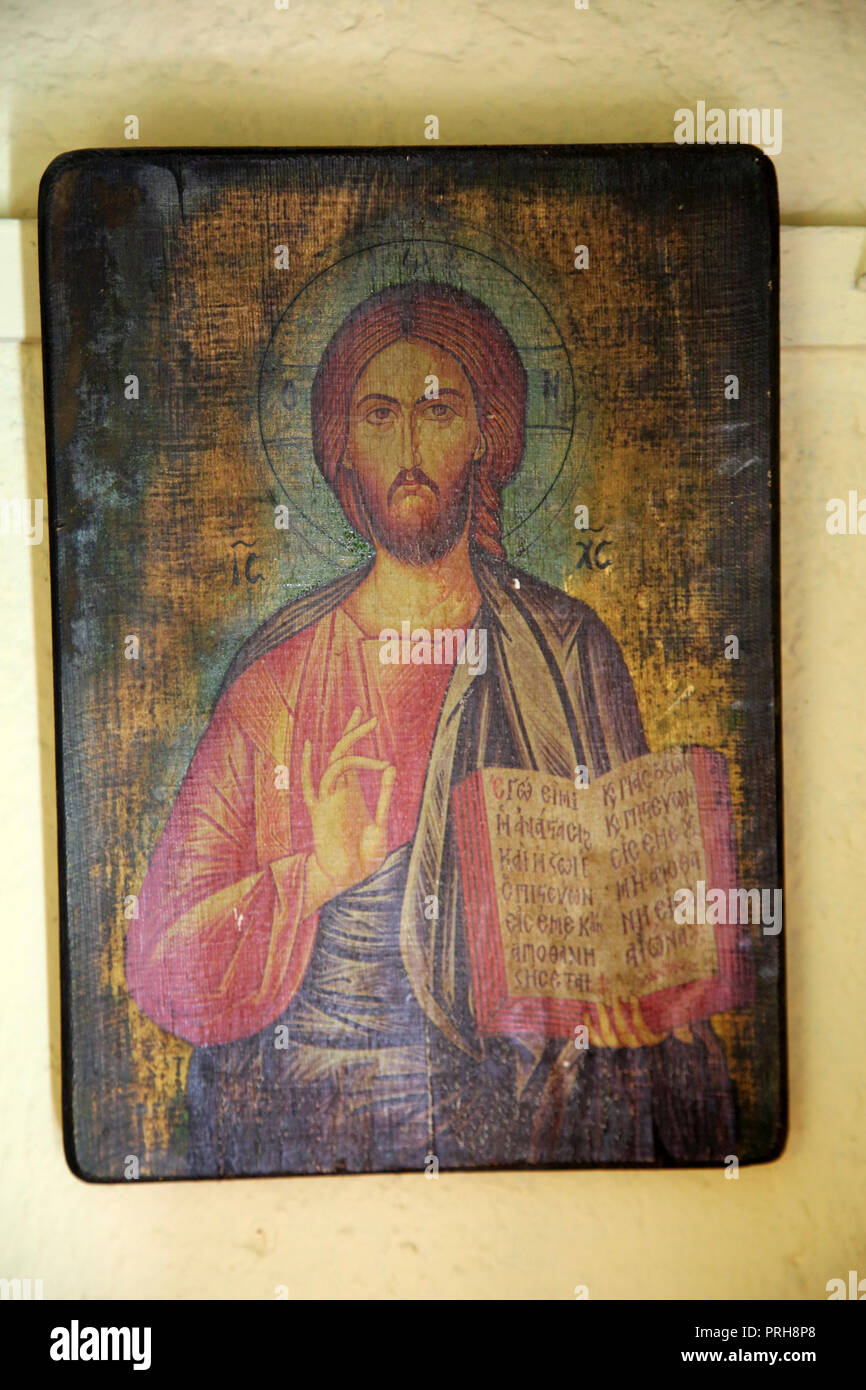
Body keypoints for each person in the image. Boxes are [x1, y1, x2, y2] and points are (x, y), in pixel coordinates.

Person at [125, 282, 736, 1174]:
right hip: (316, 1118)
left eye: (439, 410)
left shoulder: (566, 650)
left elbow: (633, 912)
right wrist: (316, 872)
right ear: (343, 451)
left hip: (519, 1119)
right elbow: (164, 959)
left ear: (490, 438)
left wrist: (627, 992)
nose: (409, 448)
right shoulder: (279, 677)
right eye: (379, 415)